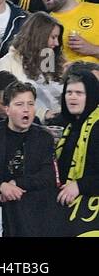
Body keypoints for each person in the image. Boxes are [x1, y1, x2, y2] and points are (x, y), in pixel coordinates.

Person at [0, 81, 58, 232]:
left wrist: (16, 184)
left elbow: (48, 176)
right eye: (19, 104)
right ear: (7, 109)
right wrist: (1, 186)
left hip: (33, 214)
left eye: (30, 104)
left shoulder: (44, 138)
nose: (26, 110)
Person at [0, 13, 65, 121]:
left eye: (57, 38)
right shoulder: (7, 64)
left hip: (57, 123)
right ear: (38, 38)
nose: (57, 43)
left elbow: (54, 94)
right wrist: (43, 114)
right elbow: (3, 105)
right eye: (53, 37)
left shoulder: (50, 60)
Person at [33, 0, 99, 66]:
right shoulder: (42, 25)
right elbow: (45, 70)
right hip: (62, 81)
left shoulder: (96, 11)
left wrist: (92, 49)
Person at [55, 70, 99, 207]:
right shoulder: (67, 125)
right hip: (66, 205)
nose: (72, 97)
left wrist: (80, 185)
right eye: (69, 92)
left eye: (79, 93)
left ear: (91, 96)